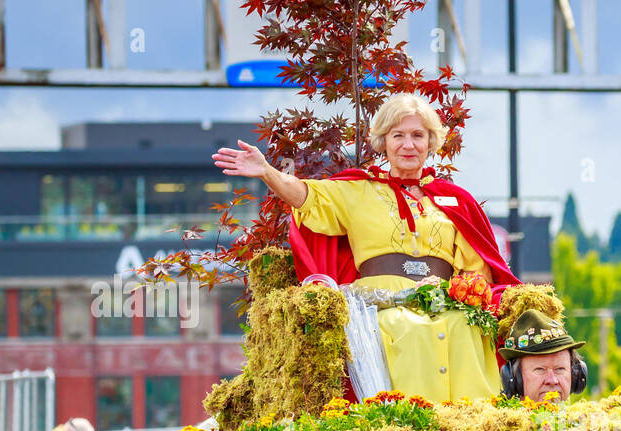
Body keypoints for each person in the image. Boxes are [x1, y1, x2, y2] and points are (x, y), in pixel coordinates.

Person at [213, 92, 519, 403]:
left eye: (417, 135)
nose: (408, 145)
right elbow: (305, 195)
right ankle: (409, 422)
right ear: (383, 141)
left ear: (430, 142)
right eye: (398, 135)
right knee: (405, 326)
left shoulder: (456, 199)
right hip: (377, 304)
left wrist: (455, 290)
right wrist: (267, 171)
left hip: (442, 299)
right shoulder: (356, 190)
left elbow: (477, 271)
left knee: (465, 325)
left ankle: (469, 419)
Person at [497, 310, 589, 402]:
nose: (552, 381)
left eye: (560, 369)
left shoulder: (589, 415)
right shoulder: (490, 416)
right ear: (515, 379)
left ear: (574, 376)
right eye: (540, 369)